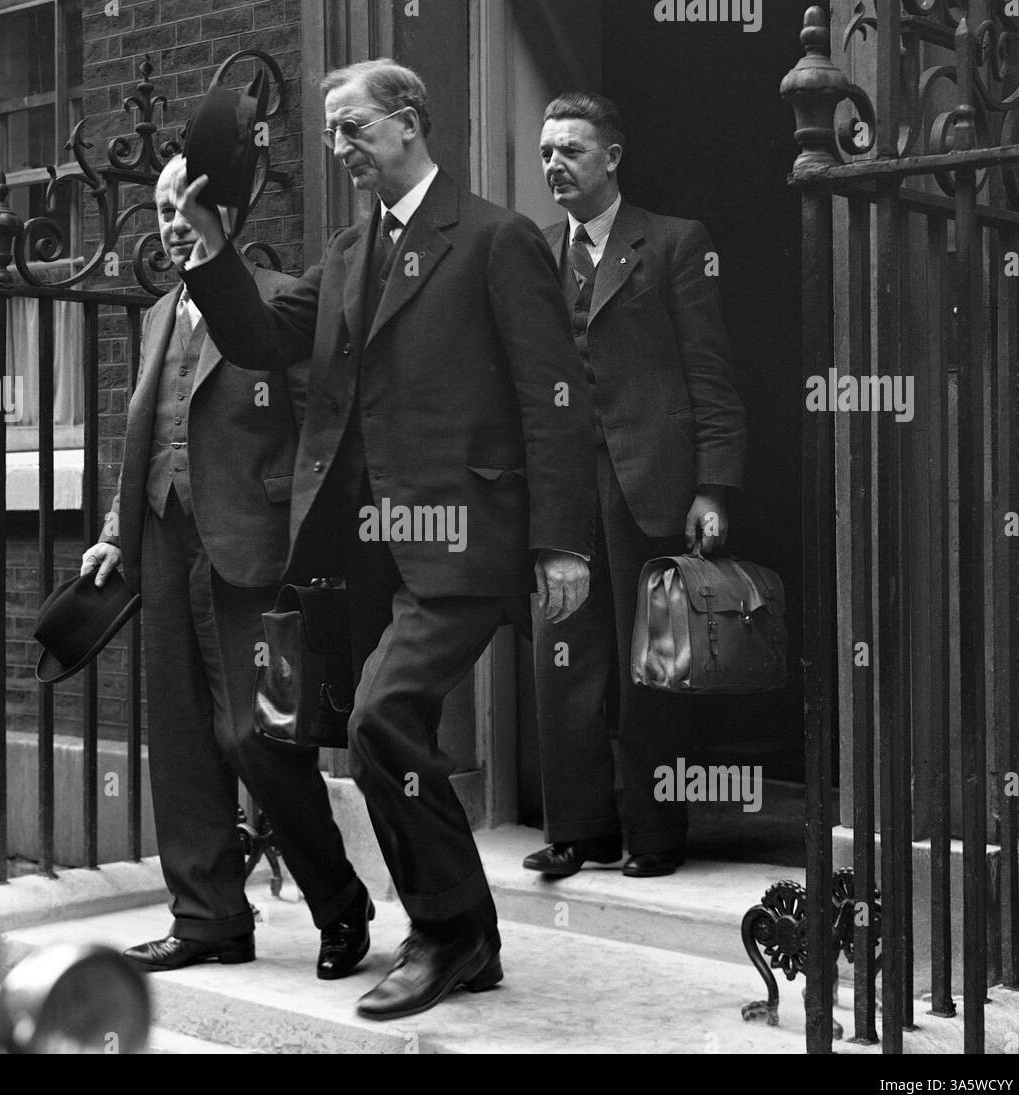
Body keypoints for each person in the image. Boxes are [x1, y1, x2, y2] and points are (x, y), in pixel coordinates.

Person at [171, 59, 597, 1020]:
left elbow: (554, 398)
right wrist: (206, 242)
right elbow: (264, 333)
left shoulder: (497, 238)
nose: (339, 149)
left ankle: (444, 928)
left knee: (380, 720)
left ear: (409, 122)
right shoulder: (351, 249)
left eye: (353, 128)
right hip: (361, 552)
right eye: (329, 132)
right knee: (368, 732)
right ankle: (468, 935)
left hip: (461, 538)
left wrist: (561, 541)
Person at [79, 154, 372, 979]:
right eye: (161, 209)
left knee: (257, 736)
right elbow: (144, 434)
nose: (170, 223)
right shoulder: (160, 312)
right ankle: (208, 916)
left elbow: (323, 436)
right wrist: (114, 527)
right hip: (165, 541)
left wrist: (312, 551)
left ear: (228, 215)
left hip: (253, 549)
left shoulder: (278, 304)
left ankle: (338, 900)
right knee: (178, 736)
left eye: (185, 207)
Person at [522, 92, 747, 881]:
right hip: (562, 489)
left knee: (651, 664)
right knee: (564, 656)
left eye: (571, 150)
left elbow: (710, 374)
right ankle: (579, 830)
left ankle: (654, 834)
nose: (554, 164)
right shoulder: (534, 252)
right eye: (547, 151)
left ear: (611, 157)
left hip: (649, 481)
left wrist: (713, 486)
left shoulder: (676, 243)